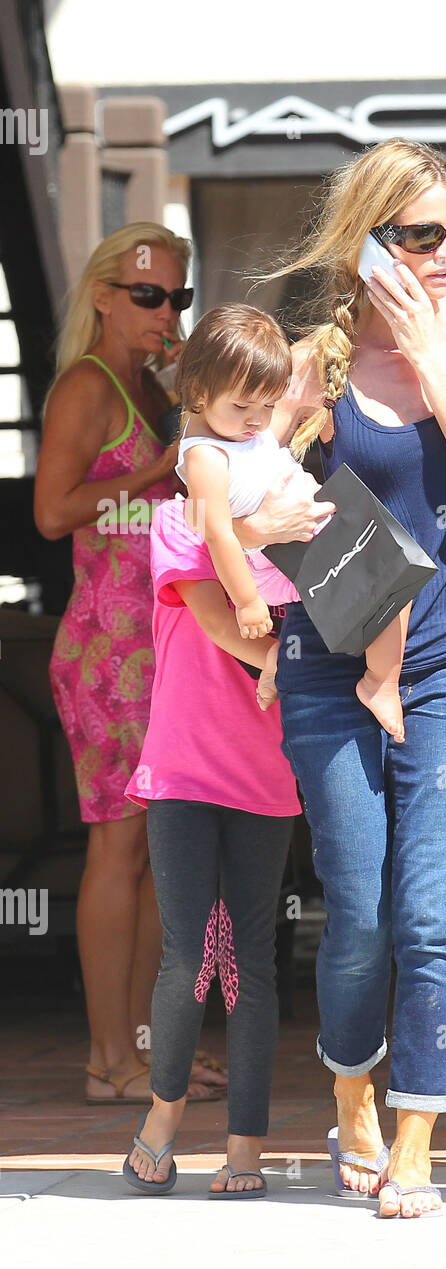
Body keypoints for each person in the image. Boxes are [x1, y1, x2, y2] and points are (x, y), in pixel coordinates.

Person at [265, 138, 446, 1216]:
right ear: (367, 238)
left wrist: (432, 364)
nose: (443, 253)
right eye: (419, 233)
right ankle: (350, 1098)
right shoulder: (309, 362)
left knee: (432, 908)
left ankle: (417, 1133)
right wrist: (265, 515)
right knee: (360, 910)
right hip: (328, 666)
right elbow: (228, 483)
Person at [34, 222, 223, 1104]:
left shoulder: (154, 386)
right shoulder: (88, 384)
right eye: (149, 294)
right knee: (118, 847)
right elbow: (49, 513)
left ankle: (150, 1050)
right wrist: (147, 468)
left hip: (168, 641)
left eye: (177, 297)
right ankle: (110, 1056)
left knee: (157, 848)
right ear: (104, 295)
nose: (165, 309)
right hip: (109, 645)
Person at [120, 499, 299, 1196]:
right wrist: (284, 656)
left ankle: (245, 1144)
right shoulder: (176, 520)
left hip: (265, 769)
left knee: (251, 959)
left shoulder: (299, 522)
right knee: (188, 951)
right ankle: (163, 1117)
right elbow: (215, 614)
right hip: (182, 767)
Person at [171, 302, 409, 736]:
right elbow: (218, 533)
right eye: (243, 406)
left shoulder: (237, 428)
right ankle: (380, 683)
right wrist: (246, 602)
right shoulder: (206, 455)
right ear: (199, 391)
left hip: (305, 531)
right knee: (389, 579)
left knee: (397, 576)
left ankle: (372, 677)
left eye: (267, 405)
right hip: (280, 553)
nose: (257, 420)